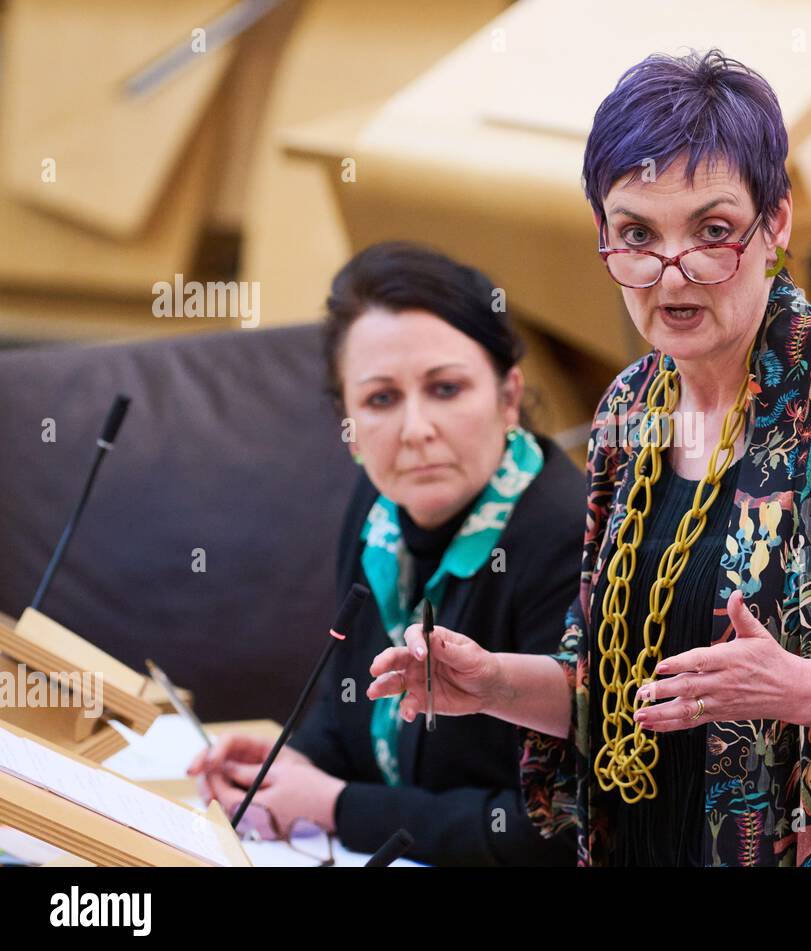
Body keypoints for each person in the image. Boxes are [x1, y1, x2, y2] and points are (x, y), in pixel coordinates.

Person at [369, 50, 811, 866]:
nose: (673, 271)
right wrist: (493, 686)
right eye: (637, 235)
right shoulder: (630, 409)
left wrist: (792, 687)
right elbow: (621, 691)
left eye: (714, 231)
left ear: (778, 225)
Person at [188, 242, 583, 865]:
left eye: (446, 388)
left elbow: (554, 829)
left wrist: (337, 807)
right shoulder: (376, 508)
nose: (415, 430)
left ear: (509, 398)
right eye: (380, 400)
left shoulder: (569, 539)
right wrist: (293, 763)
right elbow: (346, 699)